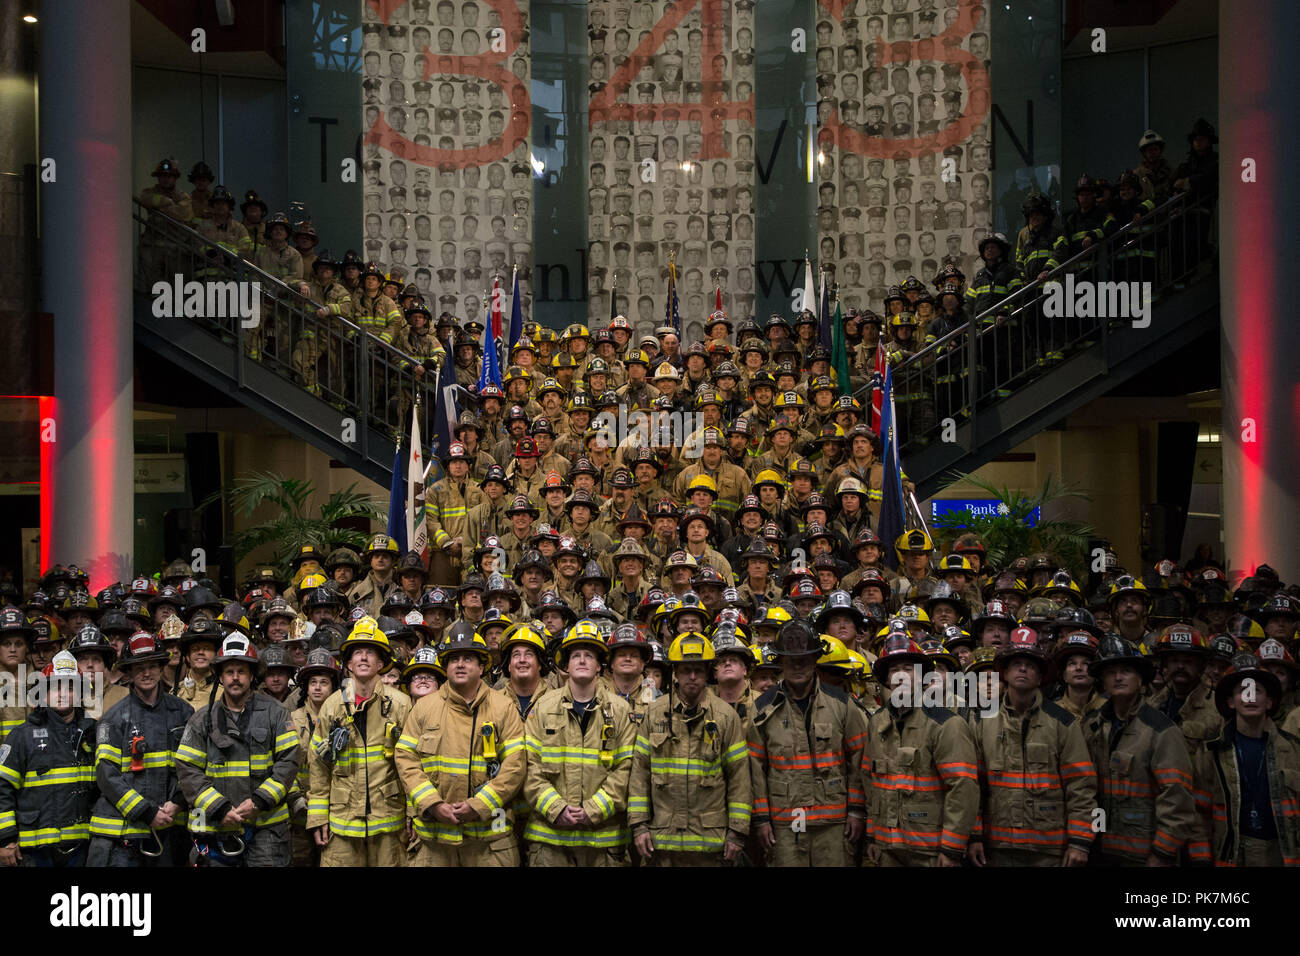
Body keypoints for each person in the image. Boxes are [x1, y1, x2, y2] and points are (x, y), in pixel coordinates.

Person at [395, 627, 525, 866]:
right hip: (435, 842)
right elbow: (406, 760)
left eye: (468, 658)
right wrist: (432, 804)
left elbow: (515, 766)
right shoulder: (424, 708)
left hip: (491, 841)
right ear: (446, 666)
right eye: (454, 658)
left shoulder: (504, 707)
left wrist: (479, 805)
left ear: (481, 666)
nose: (460, 664)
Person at [966, 628, 1096, 867]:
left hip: (1049, 850)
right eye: (1016, 663)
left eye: (1030, 665)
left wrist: (1080, 842)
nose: (1023, 669)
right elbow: (973, 785)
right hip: (997, 849)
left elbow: (1081, 787)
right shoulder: (982, 721)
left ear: (1040, 677)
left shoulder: (1063, 722)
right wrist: (974, 836)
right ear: (1004, 673)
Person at [747, 620, 868, 866]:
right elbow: (754, 769)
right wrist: (761, 819)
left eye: (804, 659)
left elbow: (860, 759)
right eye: (791, 660)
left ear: (815, 660)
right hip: (785, 825)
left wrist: (856, 810)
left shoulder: (843, 705)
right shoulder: (761, 708)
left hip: (834, 826)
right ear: (781, 662)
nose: (798, 666)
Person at [175, 633, 300, 867]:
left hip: (266, 829)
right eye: (229, 672)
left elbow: (289, 762)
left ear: (252, 675)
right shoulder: (201, 719)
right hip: (214, 827)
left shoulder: (276, 713)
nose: (235, 678)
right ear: (220, 677)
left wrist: (259, 802)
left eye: (241, 672)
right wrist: (219, 807)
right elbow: (187, 770)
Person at [627, 632, 750, 866]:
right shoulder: (654, 714)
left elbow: (739, 778)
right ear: (675, 673)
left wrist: (737, 832)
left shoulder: (726, 717)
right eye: (685, 670)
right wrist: (639, 825)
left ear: (708, 672)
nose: (692, 677)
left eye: (699, 670)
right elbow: (639, 774)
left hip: (711, 844)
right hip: (661, 843)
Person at [523, 621, 637, 866]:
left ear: (599, 666)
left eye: (589, 655)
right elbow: (529, 767)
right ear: (566, 664)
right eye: (576, 655)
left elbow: (626, 770)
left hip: (603, 843)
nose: (582, 660)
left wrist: (592, 810)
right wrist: (557, 809)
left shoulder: (620, 710)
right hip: (550, 841)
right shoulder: (543, 707)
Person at [862, 633, 979, 866]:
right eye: (895, 670)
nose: (902, 675)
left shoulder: (947, 724)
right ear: (887, 679)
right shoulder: (876, 722)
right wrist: (872, 835)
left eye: (908, 668)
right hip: (887, 848)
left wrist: (952, 849)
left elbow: (963, 788)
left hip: (931, 852)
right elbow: (869, 781)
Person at [1081, 635, 1199, 865]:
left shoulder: (1161, 730)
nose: (1118, 677)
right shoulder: (1091, 725)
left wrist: (1162, 853)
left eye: (1126, 670)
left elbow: (1177, 799)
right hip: (1098, 850)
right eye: (1110, 672)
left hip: (1144, 855)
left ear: (1140, 680)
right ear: (1102, 681)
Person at [307, 617, 413, 866]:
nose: (364, 658)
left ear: (381, 663)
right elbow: (318, 766)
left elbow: (412, 765)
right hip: (342, 824)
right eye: (358, 653)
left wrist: (414, 813)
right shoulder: (332, 706)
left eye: (370, 653)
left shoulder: (400, 705)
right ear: (349, 664)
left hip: (389, 822)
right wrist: (318, 816)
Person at [86, 632, 195, 866]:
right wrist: (146, 812)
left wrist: (177, 801)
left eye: (152, 666)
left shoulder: (183, 713)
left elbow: (194, 766)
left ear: (160, 668)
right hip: (127, 832)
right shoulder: (113, 719)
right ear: (128, 672)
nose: (146, 673)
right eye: (139, 667)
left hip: (173, 826)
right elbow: (107, 776)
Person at [1195, 653, 1300, 866]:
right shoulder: (1211, 751)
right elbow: (1199, 813)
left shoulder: (1294, 749)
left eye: (1257, 691)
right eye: (1244, 690)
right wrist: (1201, 859)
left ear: (1269, 702)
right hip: (1230, 856)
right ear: (1231, 702)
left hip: (1281, 855)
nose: (1251, 697)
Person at [0, 651, 97, 867]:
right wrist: (5, 839)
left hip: (82, 848)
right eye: (55, 687)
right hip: (34, 852)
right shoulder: (21, 736)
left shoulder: (93, 734)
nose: (62, 693)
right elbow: (2, 789)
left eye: (70, 687)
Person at [288, 648, 338, 867]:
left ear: (333, 686)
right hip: (298, 810)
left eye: (324, 682)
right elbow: (282, 765)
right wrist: (296, 799)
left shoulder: (342, 719)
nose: (317, 687)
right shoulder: (291, 720)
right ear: (306, 687)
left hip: (333, 808)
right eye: (313, 682)